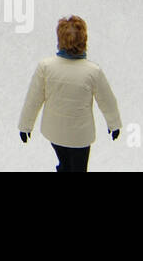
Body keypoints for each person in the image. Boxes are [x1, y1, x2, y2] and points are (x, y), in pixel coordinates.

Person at [17, 15, 121, 173]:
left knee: (65, 161)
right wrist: (114, 124)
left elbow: (33, 99)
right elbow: (107, 101)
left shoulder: (45, 67)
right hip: (80, 137)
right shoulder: (93, 72)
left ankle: (64, 168)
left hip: (54, 132)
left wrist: (25, 126)